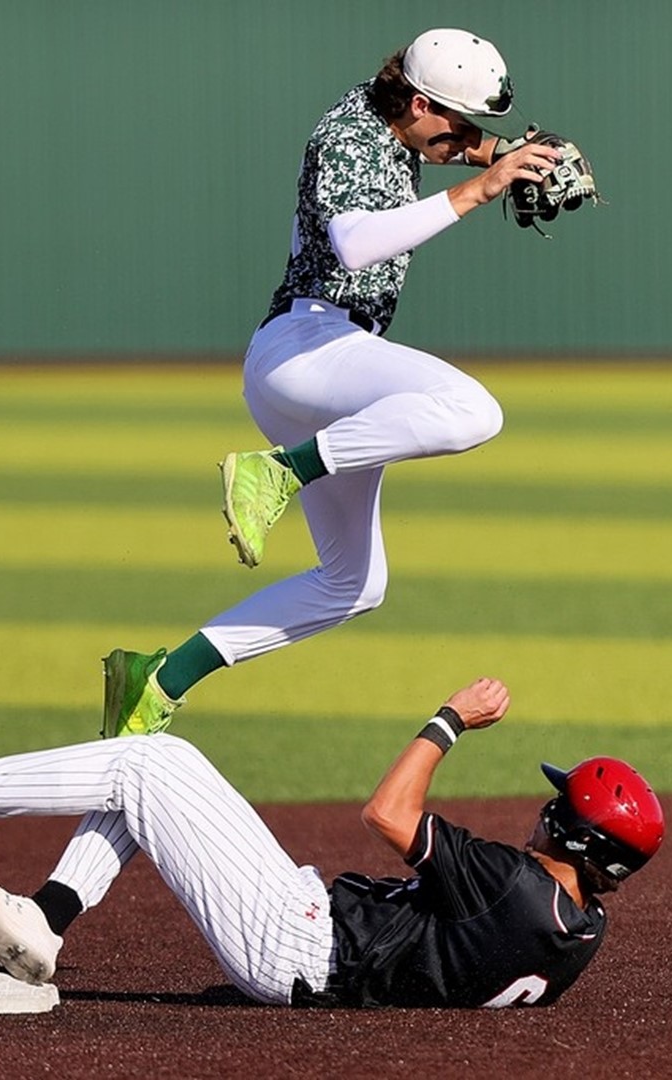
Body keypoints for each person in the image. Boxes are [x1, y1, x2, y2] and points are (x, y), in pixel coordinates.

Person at [103, 29, 570, 737]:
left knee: (354, 585)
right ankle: (278, 473)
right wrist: (479, 189)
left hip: (326, 366)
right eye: (459, 123)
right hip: (305, 348)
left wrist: (507, 154)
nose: (469, 139)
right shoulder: (346, 133)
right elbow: (352, 243)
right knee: (472, 409)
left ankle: (158, 680)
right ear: (417, 102)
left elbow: (447, 144)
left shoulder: (397, 123)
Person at [0, 674, 664, 1007]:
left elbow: (386, 812)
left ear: (568, 829)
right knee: (150, 792)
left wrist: (449, 720)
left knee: (151, 761)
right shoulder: (578, 929)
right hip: (321, 959)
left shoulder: (511, 884)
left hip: (298, 938)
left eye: (559, 805)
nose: (541, 810)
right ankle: (45, 922)